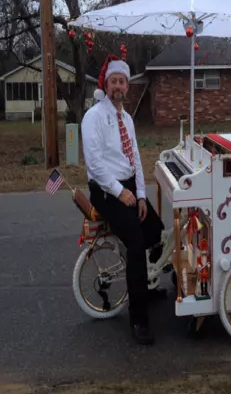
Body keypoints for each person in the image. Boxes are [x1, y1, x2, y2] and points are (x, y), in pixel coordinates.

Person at [81, 50, 165, 346]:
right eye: (113, 81)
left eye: (123, 82)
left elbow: (136, 159)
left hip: (129, 187)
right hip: (106, 191)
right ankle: (139, 319)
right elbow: (94, 165)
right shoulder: (93, 117)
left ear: (128, 86)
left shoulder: (127, 119)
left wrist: (140, 195)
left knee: (156, 230)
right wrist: (121, 192)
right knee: (136, 242)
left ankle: (149, 284)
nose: (118, 87)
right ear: (105, 84)